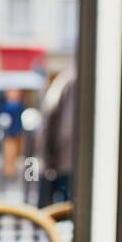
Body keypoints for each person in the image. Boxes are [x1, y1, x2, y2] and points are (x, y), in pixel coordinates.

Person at [38, 67, 76, 208]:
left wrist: (47, 159)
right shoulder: (67, 80)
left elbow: (49, 118)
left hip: (66, 160)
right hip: (70, 159)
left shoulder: (66, 80)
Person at [0, 88, 26, 178]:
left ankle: (12, 170)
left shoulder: (20, 105)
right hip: (8, 134)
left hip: (18, 132)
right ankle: (9, 172)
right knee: (9, 153)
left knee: (17, 153)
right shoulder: (4, 106)